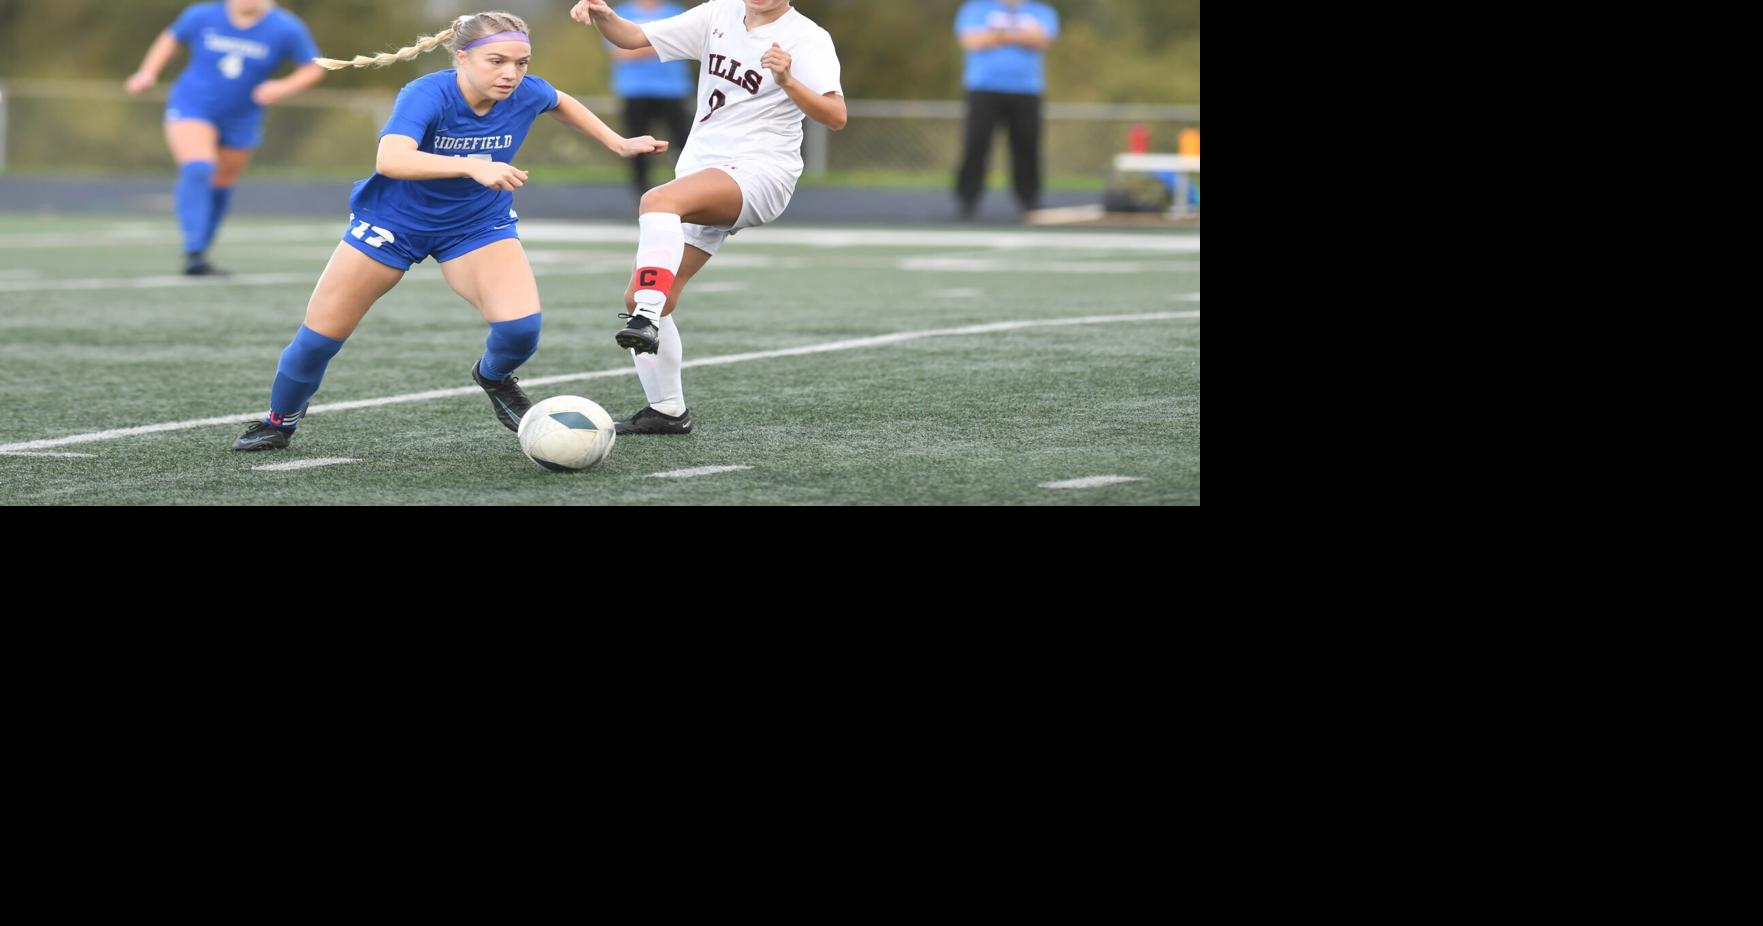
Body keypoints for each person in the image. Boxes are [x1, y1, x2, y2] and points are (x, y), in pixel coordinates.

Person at [232, 10, 667, 452]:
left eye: (521, 63)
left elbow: (558, 100)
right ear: (462, 57)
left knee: (520, 330)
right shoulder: (426, 93)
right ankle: (278, 421)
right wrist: (472, 168)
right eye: (496, 61)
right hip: (391, 225)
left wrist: (617, 142)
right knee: (318, 341)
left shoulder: (526, 92)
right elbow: (391, 159)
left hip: (475, 225)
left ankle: (493, 376)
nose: (511, 74)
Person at [573, 0, 845, 435]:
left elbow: (835, 116)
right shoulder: (717, 14)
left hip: (761, 172)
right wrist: (604, 15)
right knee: (646, 293)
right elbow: (630, 37)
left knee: (657, 202)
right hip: (705, 170)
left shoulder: (807, 37)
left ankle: (645, 317)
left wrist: (787, 80)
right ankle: (667, 410)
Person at [125, 0, 326, 276]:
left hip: (243, 116)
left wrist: (283, 86)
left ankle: (200, 254)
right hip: (192, 105)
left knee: (222, 182)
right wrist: (147, 72)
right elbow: (171, 38)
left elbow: (313, 67)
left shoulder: (286, 27)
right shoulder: (202, 15)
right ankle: (193, 248)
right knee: (199, 167)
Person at [952, 0, 1059, 220]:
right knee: (976, 144)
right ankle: (967, 199)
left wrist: (997, 35)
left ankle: (1029, 201)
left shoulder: (1041, 11)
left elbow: (1041, 41)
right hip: (983, 89)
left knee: (1027, 147)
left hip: (1026, 90)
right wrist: (1019, 36)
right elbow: (972, 41)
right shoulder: (975, 8)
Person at [608, 0, 695, 196]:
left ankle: (690, 190)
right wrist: (664, 43)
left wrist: (637, 44)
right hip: (634, 90)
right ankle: (641, 195)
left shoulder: (676, 12)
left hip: (673, 90)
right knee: (637, 149)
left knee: (684, 144)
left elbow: (686, 45)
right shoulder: (620, 13)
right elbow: (620, 53)